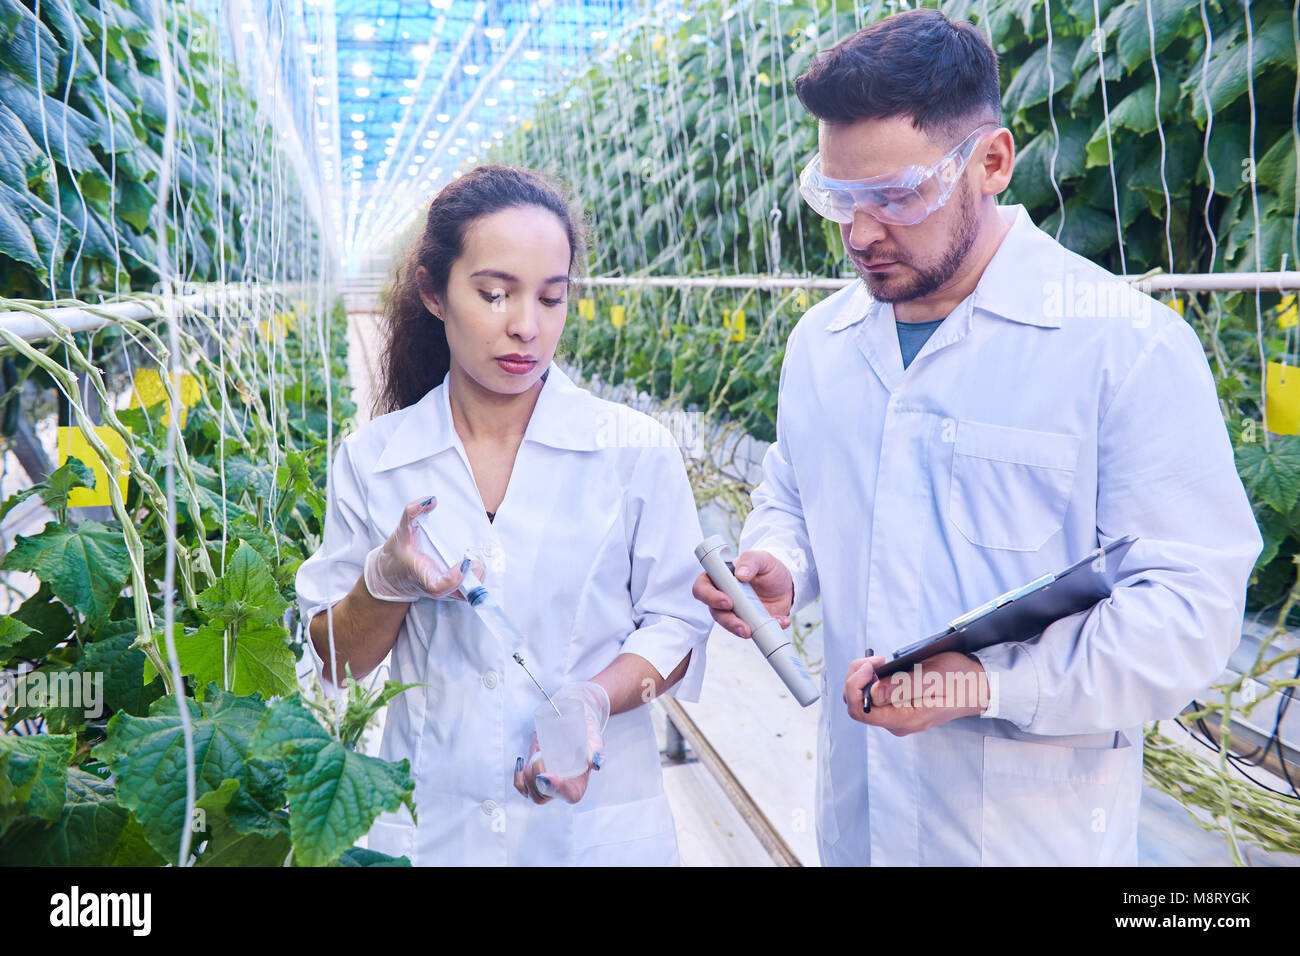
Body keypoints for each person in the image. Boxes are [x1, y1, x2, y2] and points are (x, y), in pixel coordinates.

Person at [692, 9, 1262, 866]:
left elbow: (1190, 611)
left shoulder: (1122, 346)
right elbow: (792, 492)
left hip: (1030, 838)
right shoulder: (822, 344)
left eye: (895, 195)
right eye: (839, 198)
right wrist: (781, 565)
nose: (860, 232)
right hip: (858, 825)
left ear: (990, 161)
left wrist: (993, 683)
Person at [295, 164, 712, 866]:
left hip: (594, 835)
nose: (526, 327)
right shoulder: (376, 459)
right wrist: (386, 582)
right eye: (494, 294)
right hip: (433, 826)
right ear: (434, 292)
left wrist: (593, 702)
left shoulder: (634, 451)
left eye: (552, 299)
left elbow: (679, 625)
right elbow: (337, 663)